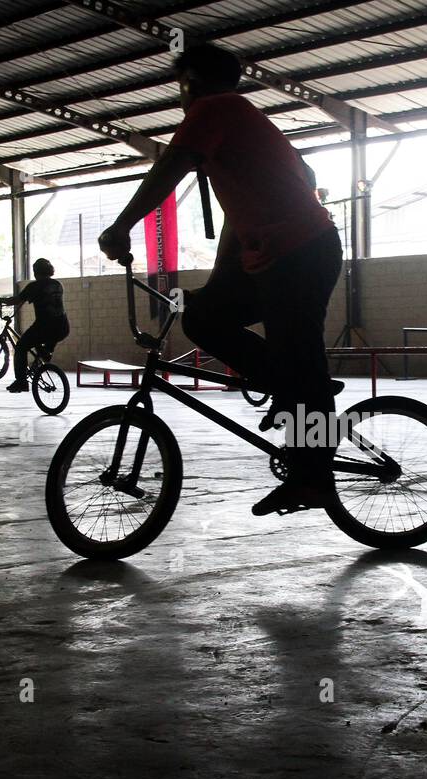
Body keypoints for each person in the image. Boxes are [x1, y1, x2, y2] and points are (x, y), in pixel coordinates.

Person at [97, 43, 342, 518]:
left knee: (299, 356)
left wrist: (122, 225)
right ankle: (290, 383)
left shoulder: (217, 108)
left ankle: (315, 476)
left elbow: (169, 168)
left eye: (183, 85)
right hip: (276, 257)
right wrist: (218, 283)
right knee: (204, 316)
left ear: (195, 83)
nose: (181, 96)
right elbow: (249, 210)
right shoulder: (238, 123)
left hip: (302, 253)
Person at [0, 259, 68, 393]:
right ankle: (46, 353)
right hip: (63, 327)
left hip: (44, 327)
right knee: (41, 343)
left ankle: (21, 382)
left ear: (36, 272)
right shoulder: (57, 285)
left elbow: (16, 300)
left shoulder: (35, 286)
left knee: (21, 347)